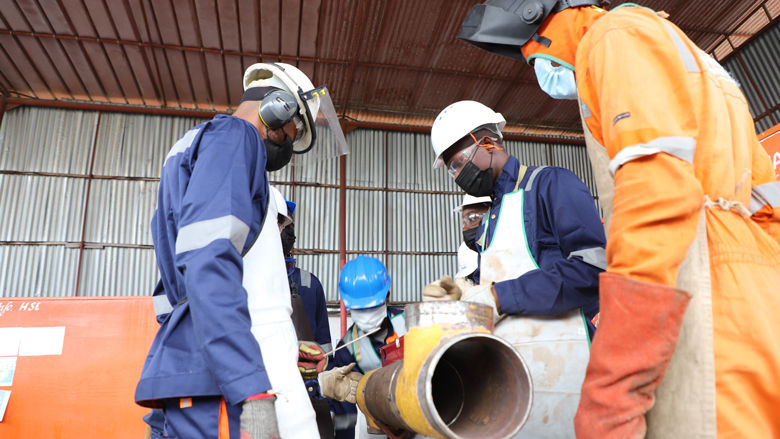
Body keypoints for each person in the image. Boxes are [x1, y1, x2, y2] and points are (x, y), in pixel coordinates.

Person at [458, 1, 780, 438]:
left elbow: (654, 201)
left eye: (532, 55)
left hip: (701, 289)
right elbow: (766, 198)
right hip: (750, 294)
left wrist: (613, 383)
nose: (537, 69)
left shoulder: (613, 38)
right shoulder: (684, 54)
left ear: (539, 20)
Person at [135, 62, 348, 439]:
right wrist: (249, 384)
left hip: (212, 372)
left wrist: (287, 346)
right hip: (234, 386)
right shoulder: (236, 138)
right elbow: (208, 262)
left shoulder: (198, 148)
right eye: (295, 131)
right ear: (279, 108)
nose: (291, 143)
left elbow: (175, 295)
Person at [425, 100, 605, 437]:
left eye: (459, 163)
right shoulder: (488, 224)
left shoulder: (550, 185)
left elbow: (593, 270)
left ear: (487, 142)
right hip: (514, 385)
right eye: (451, 170)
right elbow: (492, 286)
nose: (458, 176)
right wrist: (465, 291)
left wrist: (498, 296)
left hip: (572, 371)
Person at [269, 186, 335, 439]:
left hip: (308, 389)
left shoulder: (309, 283)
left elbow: (325, 344)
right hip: (269, 390)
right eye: (280, 225)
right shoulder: (251, 282)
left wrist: (324, 380)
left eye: (287, 226)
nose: (285, 232)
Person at [318, 256, 406, 439]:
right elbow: (345, 412)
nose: (367, 314)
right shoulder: (347, 348)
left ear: (387, 296)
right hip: (377, 431)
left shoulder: (409, 324)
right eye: (359, 309)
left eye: (372, 307)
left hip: (419, 423)